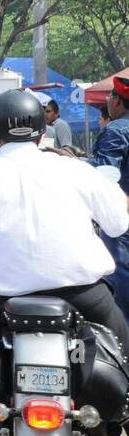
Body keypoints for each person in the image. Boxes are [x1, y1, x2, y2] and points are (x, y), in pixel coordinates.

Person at [0, 89, 129, 370]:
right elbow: (119, 224)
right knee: (121, 360)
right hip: (81, 297)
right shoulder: (77, 170)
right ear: (41, 134)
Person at [81, 76, 129, 317]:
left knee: (120, 274)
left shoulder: (116, 129)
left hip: (122, 214)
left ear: (118, 102)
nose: (108, 100)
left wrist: (77, 163)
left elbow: (105, 172)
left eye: (111, 97)